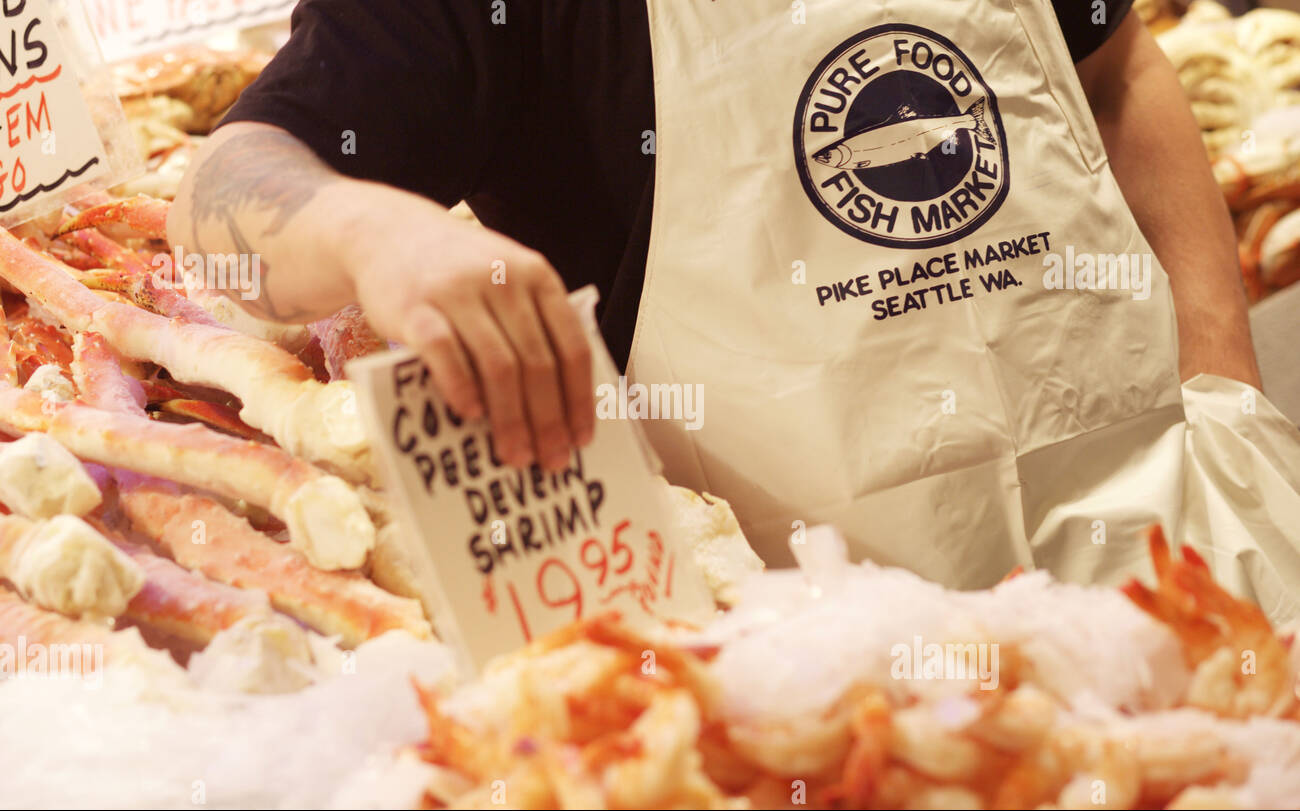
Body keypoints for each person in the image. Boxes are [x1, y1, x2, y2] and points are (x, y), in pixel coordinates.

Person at [171, 0, 1300, 610]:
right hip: (820, 654)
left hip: (1182, 553)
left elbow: (1114, 70)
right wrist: (372, 232)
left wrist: (1222, 377)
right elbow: (221, 201)